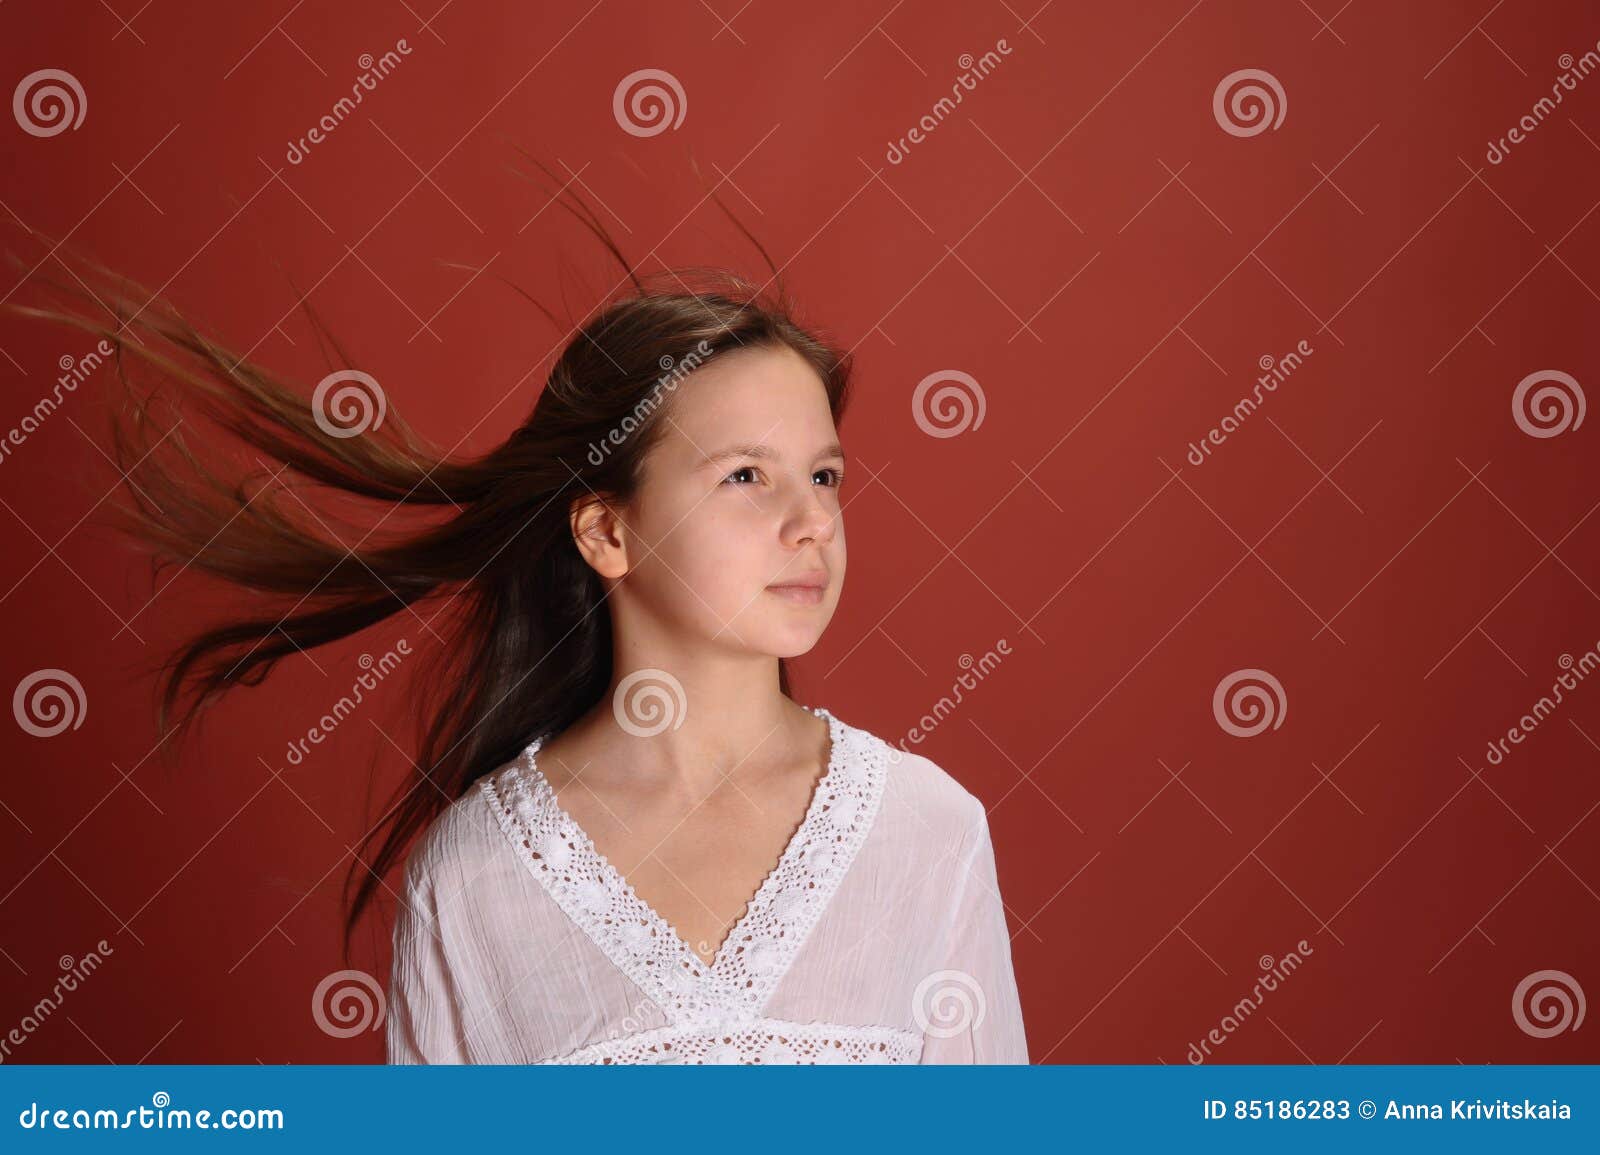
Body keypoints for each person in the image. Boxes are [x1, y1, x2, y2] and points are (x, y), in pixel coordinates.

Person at [3, 186, 1028, 1065]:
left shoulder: (928, 832)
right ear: (606, 532)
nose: (811, 521)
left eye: (825, 476)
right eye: (746, 477)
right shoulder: (477, 877)